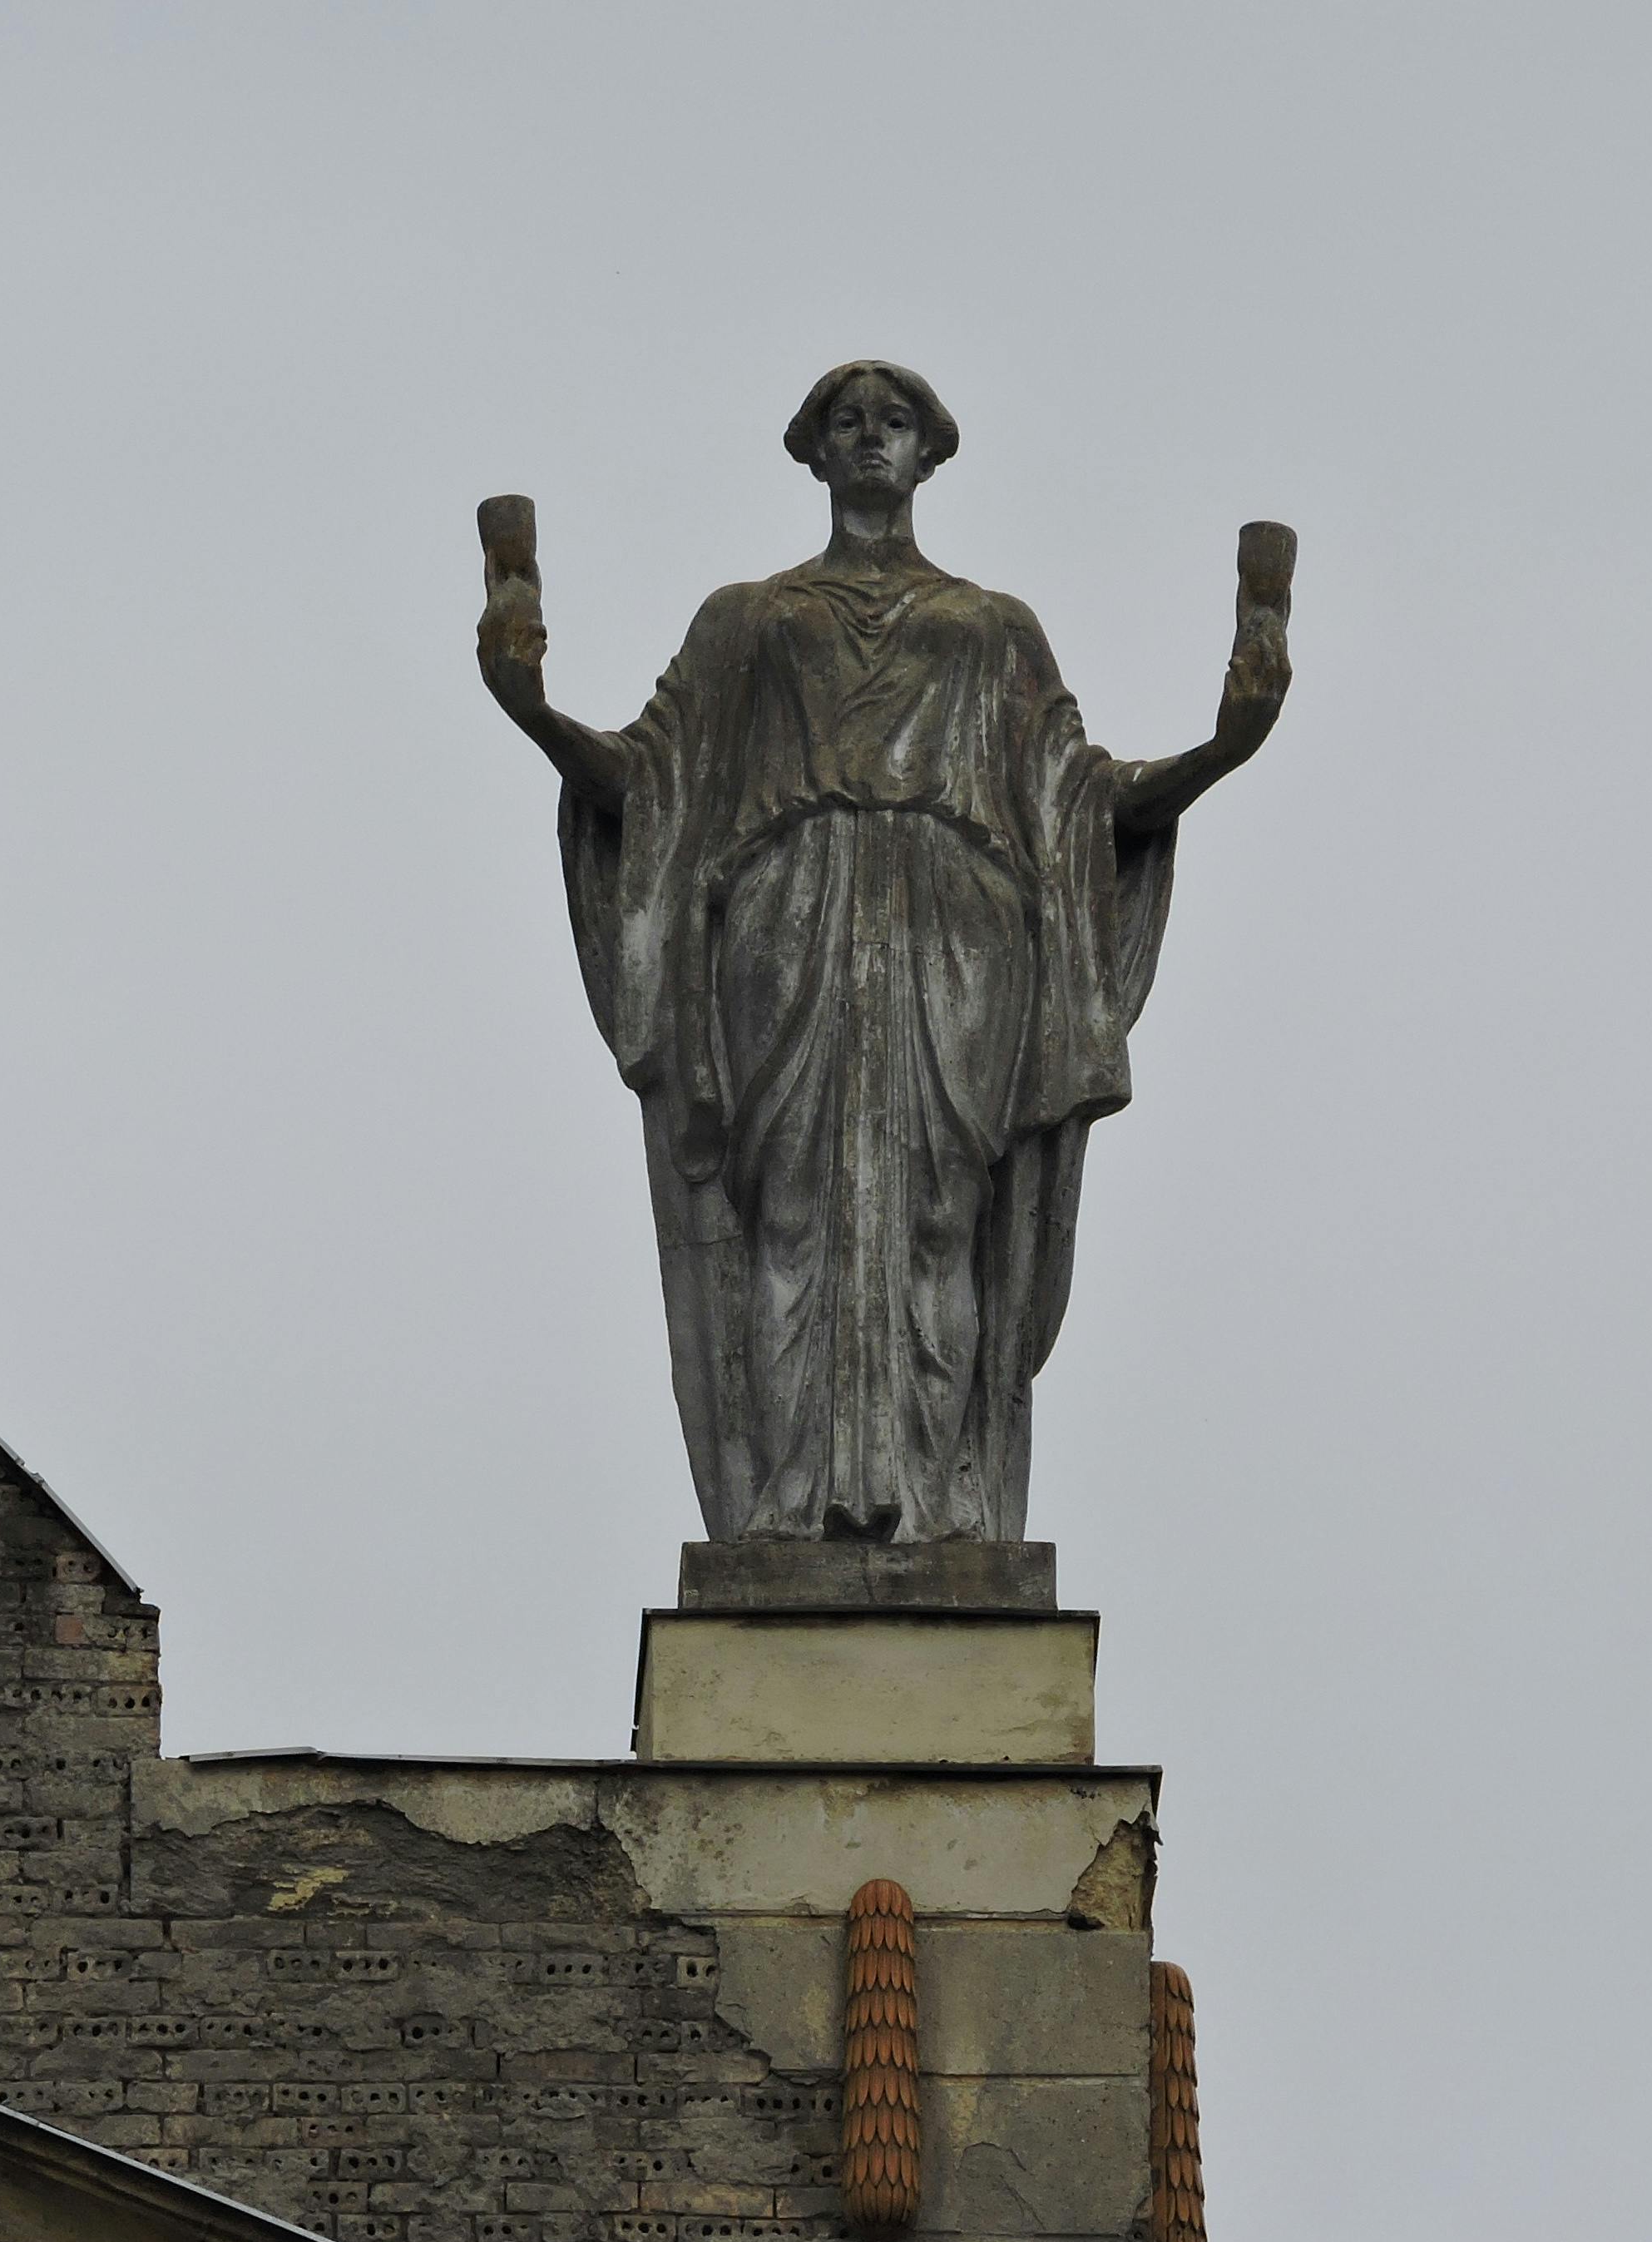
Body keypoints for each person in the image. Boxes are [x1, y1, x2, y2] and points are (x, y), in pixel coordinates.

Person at [479, 363, 1288, 1545]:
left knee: (941, 1218)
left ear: (929, 451)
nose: (870, 439)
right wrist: (526, 702)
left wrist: (1231, 741)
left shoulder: (995, 629)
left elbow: (1084, 799)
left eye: (894, 421)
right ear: (810, 450)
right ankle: (787, 1507)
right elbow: (650, 778)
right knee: (792, 1213)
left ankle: (943, 1507)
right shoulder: (745, 619)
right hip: (784, 923)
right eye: (847, 422)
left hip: (960, 934)